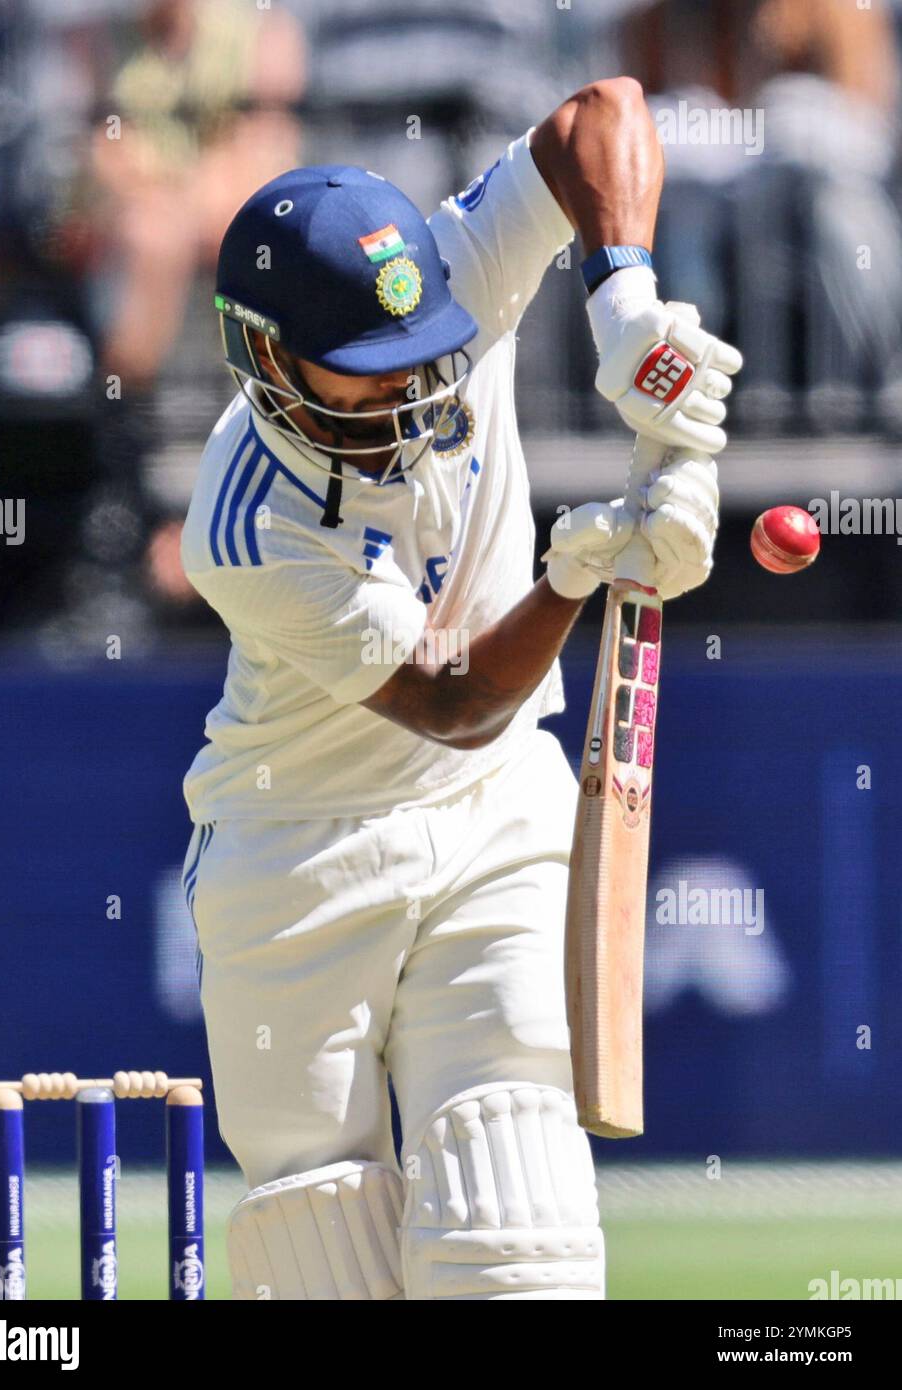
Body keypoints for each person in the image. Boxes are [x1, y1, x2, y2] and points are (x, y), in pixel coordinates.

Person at [180, 76, 741, 1300]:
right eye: (364, 373)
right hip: (296, 853)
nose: (411, 391)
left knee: (514, 1216)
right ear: (266, 356)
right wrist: (575, 574)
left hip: (495, 813)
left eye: (419, 354)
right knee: (321, 1242)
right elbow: (449, 698)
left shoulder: (454, 269)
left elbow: (599, 112)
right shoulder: (242, 524)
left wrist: (625, 306)